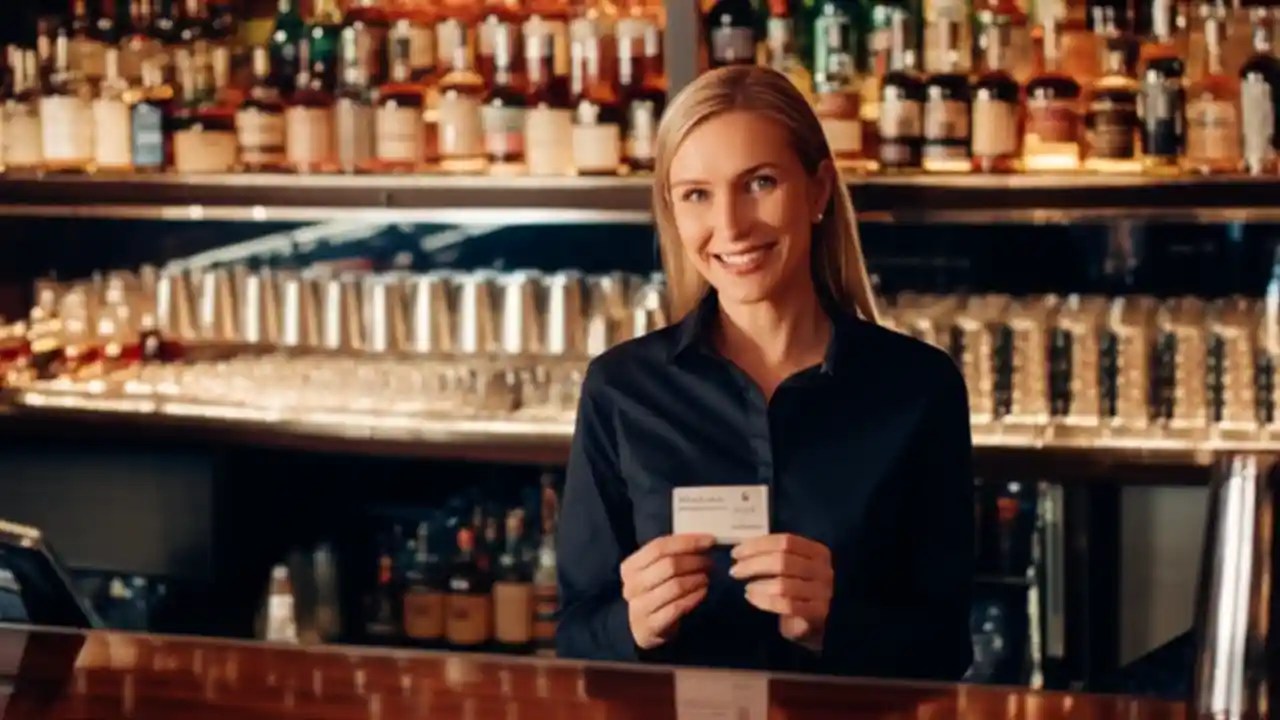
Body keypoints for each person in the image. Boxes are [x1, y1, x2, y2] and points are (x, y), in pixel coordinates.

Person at [555, 65, 974, 680]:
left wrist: (833, 622)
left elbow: (945, 648)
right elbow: (574, 635)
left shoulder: (919, 388)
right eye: (696, 194)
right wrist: (632, 625)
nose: (730, 226)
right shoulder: (621, 390)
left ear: (819, 191)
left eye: (759, 183)